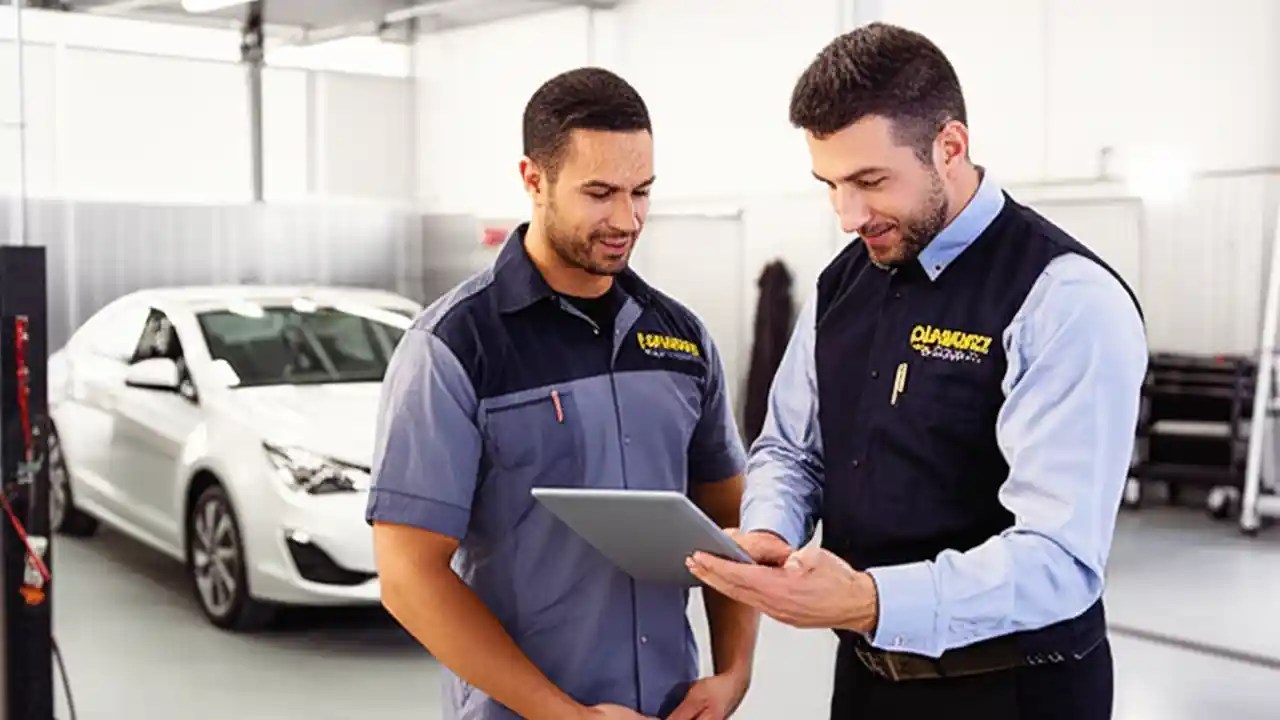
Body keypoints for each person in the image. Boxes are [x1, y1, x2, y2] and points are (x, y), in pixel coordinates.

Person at [686, 22, 1147, 720]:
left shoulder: (1064, 300)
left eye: (870, 181)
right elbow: (789, 447)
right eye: (831, 185)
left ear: (950, 147)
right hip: (868, 679)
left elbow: (1059, 559)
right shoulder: (845, 281)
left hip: (1016, 689)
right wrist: (771, 533)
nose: (847, 215)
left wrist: (870, 599)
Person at [367, 67, 759, 720]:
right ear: (533, 179)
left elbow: (730, 523)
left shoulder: (682, 339)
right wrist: (564, 716)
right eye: (600, 193)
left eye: (642, 191)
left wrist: (735, 672)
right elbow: (409, 577)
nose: (627, 219)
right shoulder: (454, 348)